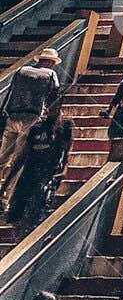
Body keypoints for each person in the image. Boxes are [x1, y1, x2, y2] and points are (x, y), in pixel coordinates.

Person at [0, 48, 61, 214]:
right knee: (17, 163)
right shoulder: (50, 75)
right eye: (53, 63)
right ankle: (5, 199)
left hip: (12, 117)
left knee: (2, 158)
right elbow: (54, 98)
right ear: (49, 62)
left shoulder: (22, 71)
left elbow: (10, 92)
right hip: (31, 120)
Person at [7, 96, 72, 227]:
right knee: (18, 202)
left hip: (49, 167)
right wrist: (8, 179)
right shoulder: (37, 127)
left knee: (39, 199)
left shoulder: (64, 126)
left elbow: (67, 150)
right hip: (31, 167)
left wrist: (64, 169)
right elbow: (25, 152)